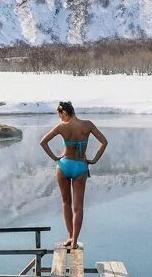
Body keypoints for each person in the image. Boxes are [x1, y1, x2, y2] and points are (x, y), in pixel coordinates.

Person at [40, 101, 108, 249]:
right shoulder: (87, 125)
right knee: (78, 207)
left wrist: (55, 158)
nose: (60, 118)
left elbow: (43, 142)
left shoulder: (62, 127)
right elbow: (104, 142)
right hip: (81, 166)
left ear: (64, 112)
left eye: (60, 115)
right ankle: (75, 241)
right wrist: (94, 160)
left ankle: (70, 236)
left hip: (64, 165)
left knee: (66, 203)